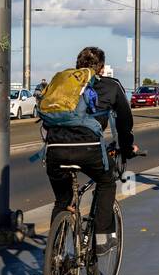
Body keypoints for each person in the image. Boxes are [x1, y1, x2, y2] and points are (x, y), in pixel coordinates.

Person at [44, 46, 136, 260]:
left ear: (78, 67)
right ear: (101, 69)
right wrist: (128, 146)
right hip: (89, 149)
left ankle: (54, 254)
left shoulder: (62, 83)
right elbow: (124, 121)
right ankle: (102, 239)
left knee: (62, 199)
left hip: (54, 150)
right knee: (106, 182)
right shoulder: (111, 86)